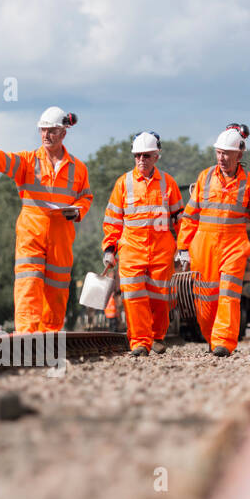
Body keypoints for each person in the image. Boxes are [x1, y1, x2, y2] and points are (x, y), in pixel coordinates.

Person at [0, 107, 92, 333]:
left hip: (61, 232)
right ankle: (26, 332)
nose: (46, 135)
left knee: (57, 286)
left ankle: (50, 333)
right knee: (29, 281)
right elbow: (6, 161)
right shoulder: (28, 161)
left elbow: (85, 196)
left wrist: (78, 211)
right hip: (31, 231)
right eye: (42, 130)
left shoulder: (78, 168)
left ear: (63, 133)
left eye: (52, 131)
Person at [176, 127, 250, 356]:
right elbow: (189, 216)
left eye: (227, 153)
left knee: (229, 295)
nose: (222, 158)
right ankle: (212, 338)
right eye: (218, 152)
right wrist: (183, 248)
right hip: (203, 247)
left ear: (239, 155)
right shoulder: (205, 177)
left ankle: (224, 342)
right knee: (205, 301)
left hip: (234, 246)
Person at [102, 132, 185, 355]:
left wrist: (184, 248)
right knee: (133, 296)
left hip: (161, 251)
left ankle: (157, 337)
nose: (141, 160)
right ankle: (139, 342)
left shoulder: (168, 183)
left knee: (159, 298)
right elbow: (112, 220)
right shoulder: (123, 184)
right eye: (138, 156)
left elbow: (179, 218)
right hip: (131, 251)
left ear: (156, 156)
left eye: (146, 156)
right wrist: (109, 249)